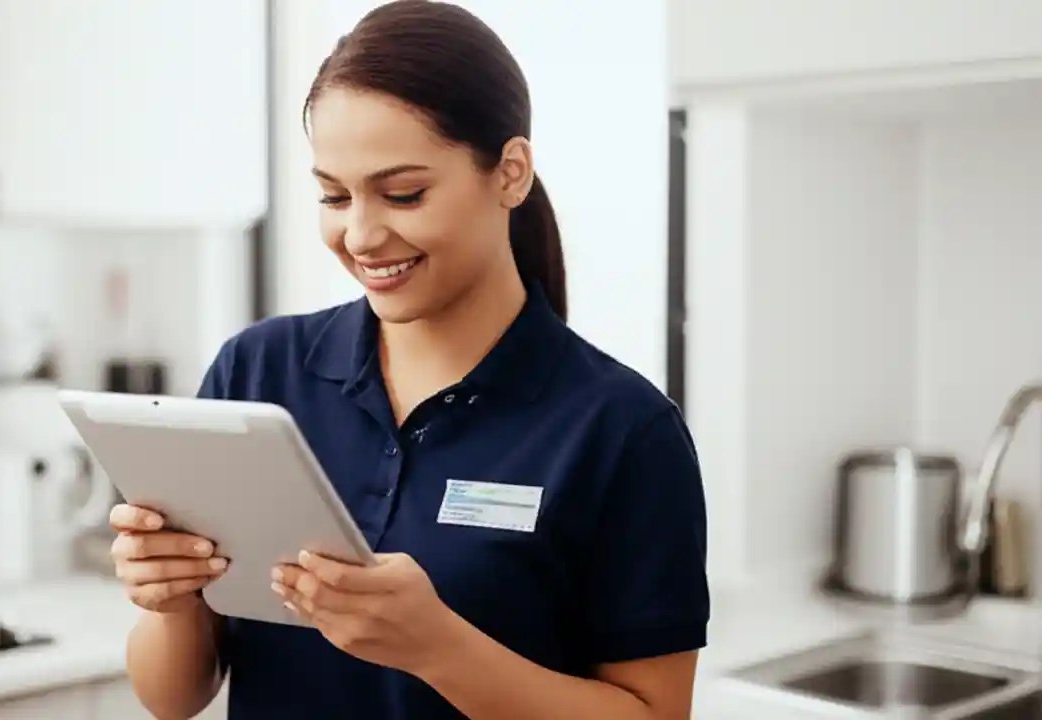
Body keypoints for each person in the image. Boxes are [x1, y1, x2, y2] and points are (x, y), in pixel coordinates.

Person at [109, 2, 709, 718]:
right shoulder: (257, 375)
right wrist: (171, 603)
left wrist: (439, 648)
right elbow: (173, 700)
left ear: (510, 173)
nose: (360, 235)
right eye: (333, 195)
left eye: (403, 194)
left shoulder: (623, 429)